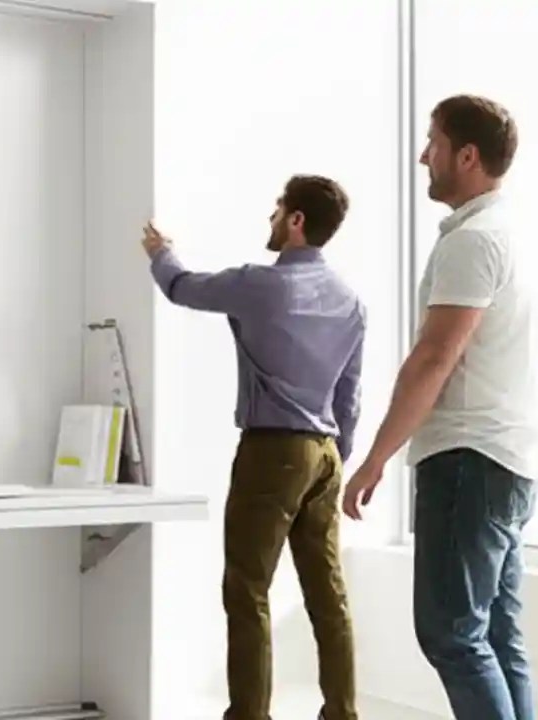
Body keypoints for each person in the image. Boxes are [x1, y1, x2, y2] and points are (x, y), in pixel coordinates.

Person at [341, 94, 537, 720]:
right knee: (495, 638)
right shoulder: (502, 231)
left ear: (468, 155)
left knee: (452, 634)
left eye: (435, 143)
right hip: (505, 461)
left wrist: (375, 458)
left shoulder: (473, 241)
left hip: (468, 462)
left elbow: (435, 357)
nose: (425, 155)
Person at [142, 174, 366, 720]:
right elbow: (349, 395)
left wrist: (159, 251)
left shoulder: (260, 285)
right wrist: (336, 459)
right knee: (327, 593)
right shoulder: (350, 300)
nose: (270, 218)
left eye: (277, 209)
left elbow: (183, 288)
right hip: (326, 453)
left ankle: (249, 715)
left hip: (273, 451)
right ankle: (342, 712)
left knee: (247, 588)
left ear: (295, 221)